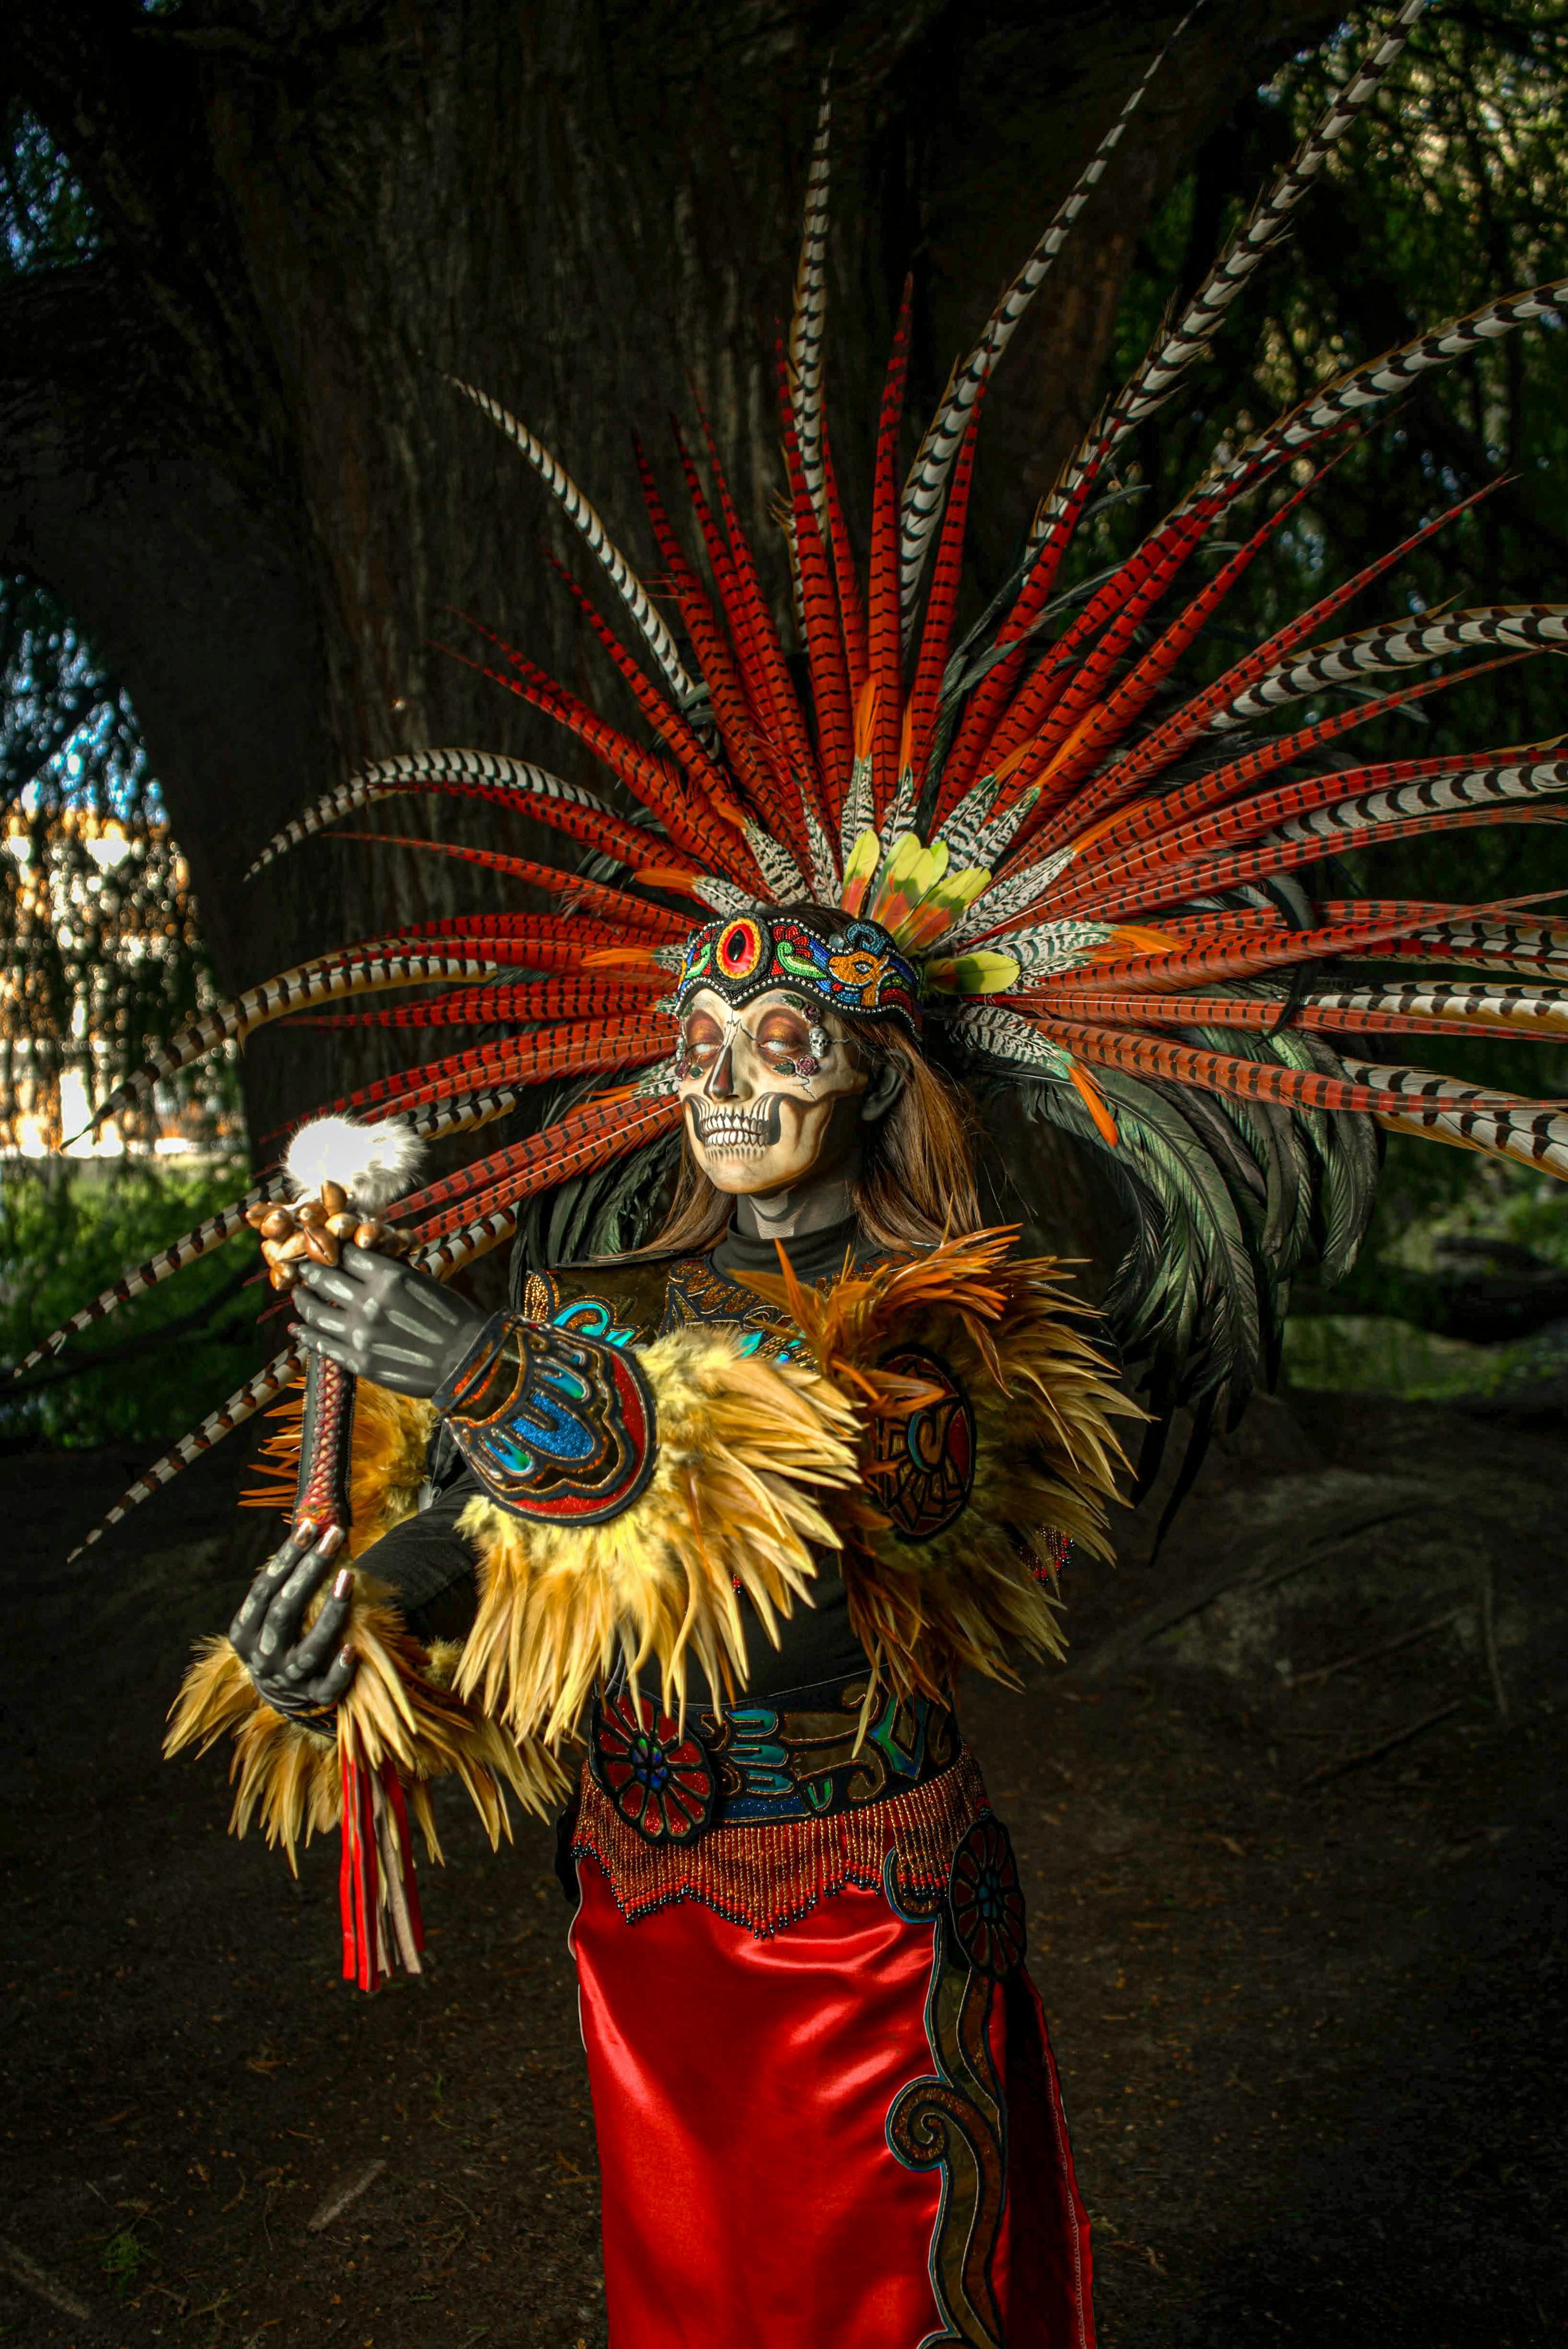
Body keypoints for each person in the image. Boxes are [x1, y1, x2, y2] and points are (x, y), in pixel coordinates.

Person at [40, 7, 1568, 2339]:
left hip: (864, 1936)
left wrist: (470, 1361)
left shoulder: (962, 1314)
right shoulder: (628, 1298)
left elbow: (760, 1520)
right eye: (696, 1040)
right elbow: (551, 1581)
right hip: (643, 1921)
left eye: (783, 1041)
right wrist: (353, 1633)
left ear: (873, 1074)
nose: (727, 1071)